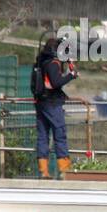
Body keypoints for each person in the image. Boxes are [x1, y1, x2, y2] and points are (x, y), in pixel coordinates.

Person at [32, 36, 77, 179]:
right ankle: (64, 171)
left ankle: (43, 171)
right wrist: (71, 75)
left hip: (41, 103)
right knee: (60, 135)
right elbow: (56, 82)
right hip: (52, 103)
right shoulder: (53, 63)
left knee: (43, 136)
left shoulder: (40, 61)